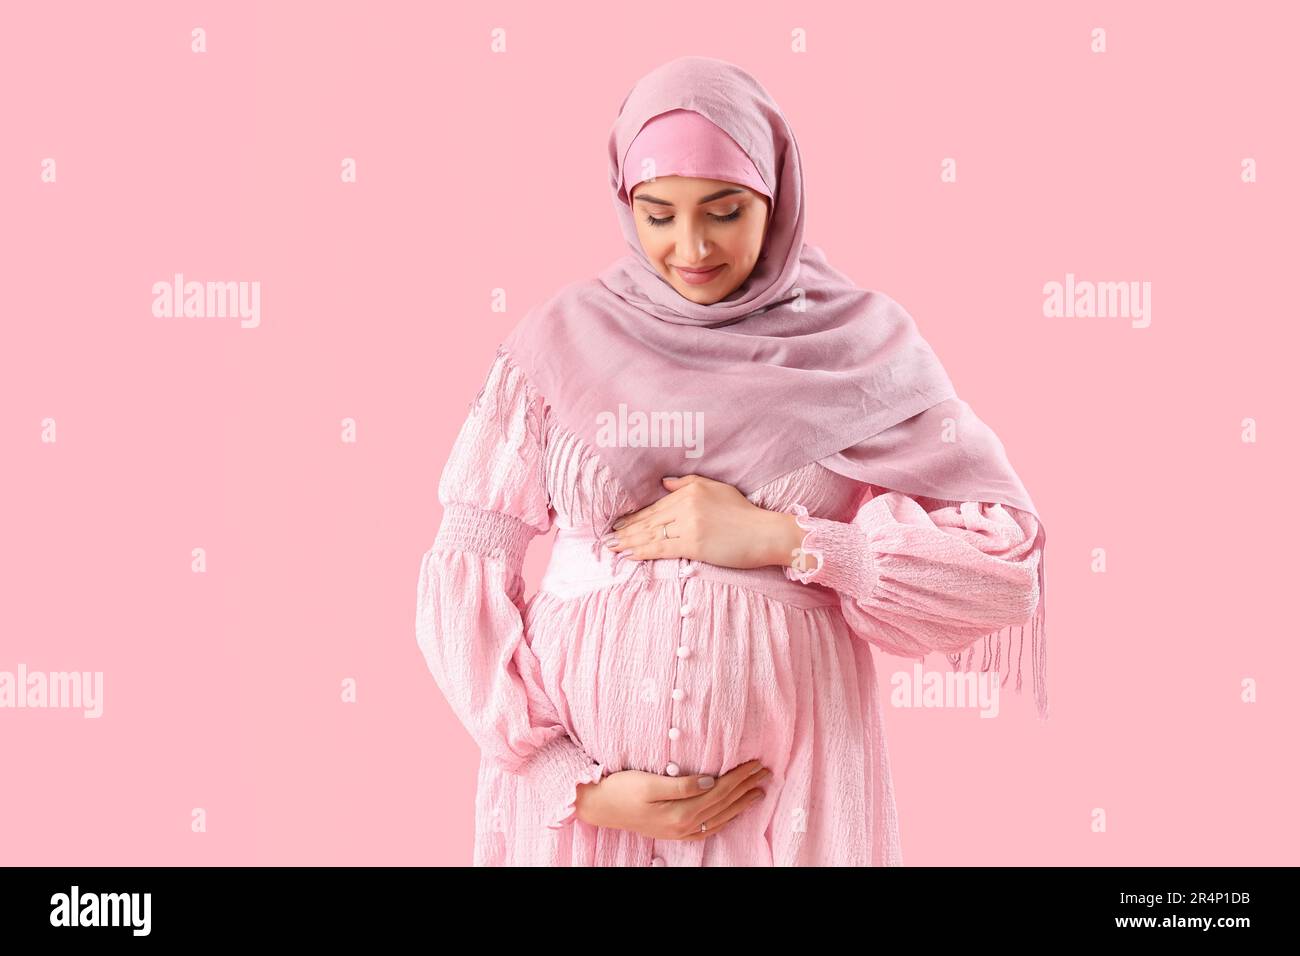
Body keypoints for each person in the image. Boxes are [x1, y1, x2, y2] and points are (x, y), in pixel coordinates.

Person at [416, 55, 1048, 866]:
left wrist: (787, 540)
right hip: (580, 817)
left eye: (723, 211)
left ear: (776, 197)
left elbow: (1004, 568)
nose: (691, 248)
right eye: (657, 214)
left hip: (796, 798)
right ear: (624, 204)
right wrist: (567, 779)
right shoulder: (557, 343)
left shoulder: (860, 345)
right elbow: (466, 561)